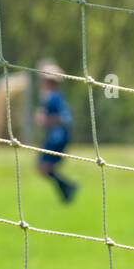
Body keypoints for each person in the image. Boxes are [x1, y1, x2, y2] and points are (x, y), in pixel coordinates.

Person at [35, 59, 78, 203]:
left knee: (43, 167)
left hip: (57, 137)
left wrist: (45, 120)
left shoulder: (54, 97)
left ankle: (68, 187)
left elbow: (64, 117)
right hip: (55, 136)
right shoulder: (51, 97)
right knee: (43, 167)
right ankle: (67, 189)